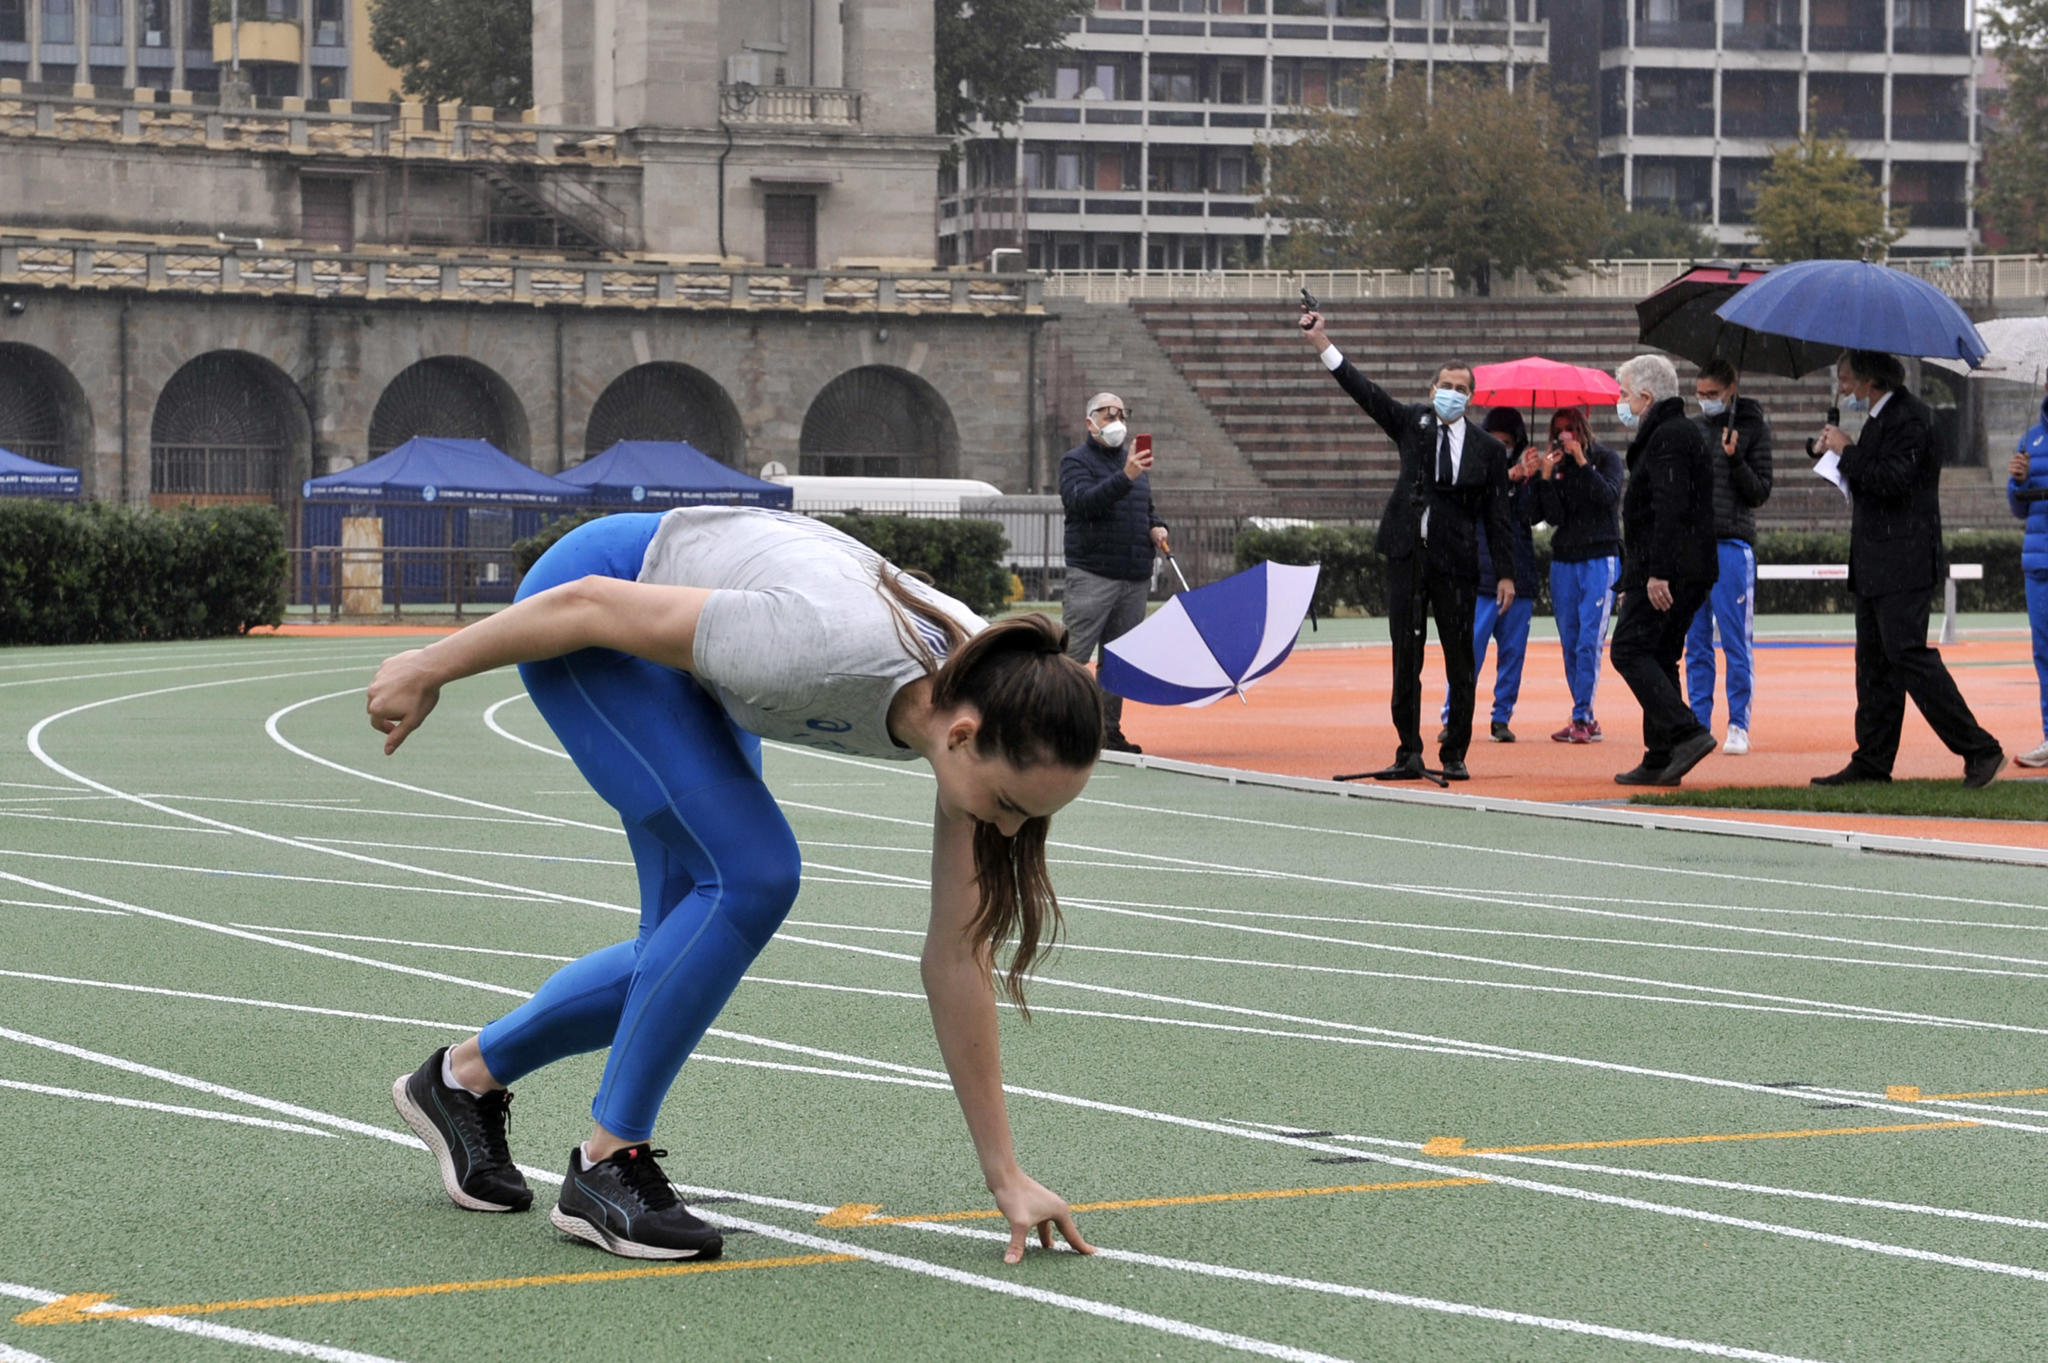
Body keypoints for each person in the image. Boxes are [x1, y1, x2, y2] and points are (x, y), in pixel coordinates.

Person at [367, 507, 1103, 1264]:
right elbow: (585, 603)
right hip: (592, 605)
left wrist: (1005, 1175)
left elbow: (956, 957)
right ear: (961, 737)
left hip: (702, 648)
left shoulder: (990, 692)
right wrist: (432, 664)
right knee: (755, 874)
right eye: (1011, 806)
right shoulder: (820, 649)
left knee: (681, 949)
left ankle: (461, 1081)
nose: (1009, 832)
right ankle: (606, 1165)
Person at [1299, 309, 1515, 781]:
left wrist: (1504, 572)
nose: (1453, 394)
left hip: (1457, 565)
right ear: (1430, 390)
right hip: (1407, 557)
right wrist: (1322, 342)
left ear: (1472, 398)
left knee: (1461, 659)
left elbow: (1498, 517)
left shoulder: (1489, 451)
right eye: (1446, 386)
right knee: (1406, 655)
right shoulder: (1412, 424)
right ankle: (1408, 749)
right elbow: (1365, 393)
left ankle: (1454, 751)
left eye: (1462, 389)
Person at [1812, 350, 2004, 788]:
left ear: (1869, 379)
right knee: (1875, 666)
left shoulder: (1911, 418)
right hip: (1879, 561)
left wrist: (1848, 450)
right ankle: (1873, 761)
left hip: (1903, 562)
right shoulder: (1885, 418)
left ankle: (1979, 748)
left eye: (1845, 378)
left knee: (1910, 660)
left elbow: (1893, 480)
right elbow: (1872, 475)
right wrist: (1833, 451)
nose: (1842, 387)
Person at [1607, 354, 1721, 787]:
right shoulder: (1674, 432)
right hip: (1680, 566)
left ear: (1646, 396)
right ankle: (1660, 756)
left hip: (1670, 569)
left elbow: (1668, 509)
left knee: (1629, 650)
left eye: (1625, 394)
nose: (1622, 402)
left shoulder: (1669, 436)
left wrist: (1655, 574)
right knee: (1659, 654)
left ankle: (1686, 733)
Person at [1060, 391, 1170, 754]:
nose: (1117, 421)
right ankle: (1057, 728)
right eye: (1109, 414)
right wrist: (1125, 476)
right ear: (1090, 422)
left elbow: (1145, 508)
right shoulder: (1075, 462)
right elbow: (1082, 504)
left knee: (1118, 660)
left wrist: (1157, 527)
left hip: (1133, 576)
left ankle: (1108, 731)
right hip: (1093, 574)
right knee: (1073, 657)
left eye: (1122, 414)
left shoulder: (1133, 464)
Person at [1682, 359, 1773, 756]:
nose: (1705, 402)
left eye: (1712, 396)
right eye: (1700, 395)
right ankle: (1698, 723)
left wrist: (1735, 459)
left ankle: (1739, 723)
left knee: (1736, 641)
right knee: (1695, 643)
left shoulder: (1752, 429)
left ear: (1731, 389)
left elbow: (1759, 492)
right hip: (1693, 549)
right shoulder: (1693, 430)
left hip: (1732, 547)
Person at [1439, 406, 1539, 744]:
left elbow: (1537, 514)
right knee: (1469, 651)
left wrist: (1529, 480)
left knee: (1513, 655)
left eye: (1508, 442)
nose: (1502, 447)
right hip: (1481, 576)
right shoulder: (1473, 466)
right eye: (1495, 441)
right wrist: (1506, 478)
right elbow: (1469, 506)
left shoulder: (1527, 473)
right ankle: (1454, 716)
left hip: (1520, 575)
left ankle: (1501, 717)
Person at [1531, 405, 1624, 744]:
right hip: (1565, 560)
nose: (1564, 435)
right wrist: (1544, 476)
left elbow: (1608, 497)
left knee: (1589, 642)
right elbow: (1552, 516)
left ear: (1583, 428)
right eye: (1559, 430)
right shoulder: (1558, 468)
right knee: (1570, 642)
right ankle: (1583, 712)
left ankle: (1582, 715)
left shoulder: (1606, 460)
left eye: (1570, 428)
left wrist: (1583, 461)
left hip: (1600, 557)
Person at [2010, 373, 2048, 769]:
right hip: (2039, 562)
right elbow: (2018, 508)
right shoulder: (2031, 440)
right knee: (2044, 654)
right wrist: (2016, 480)